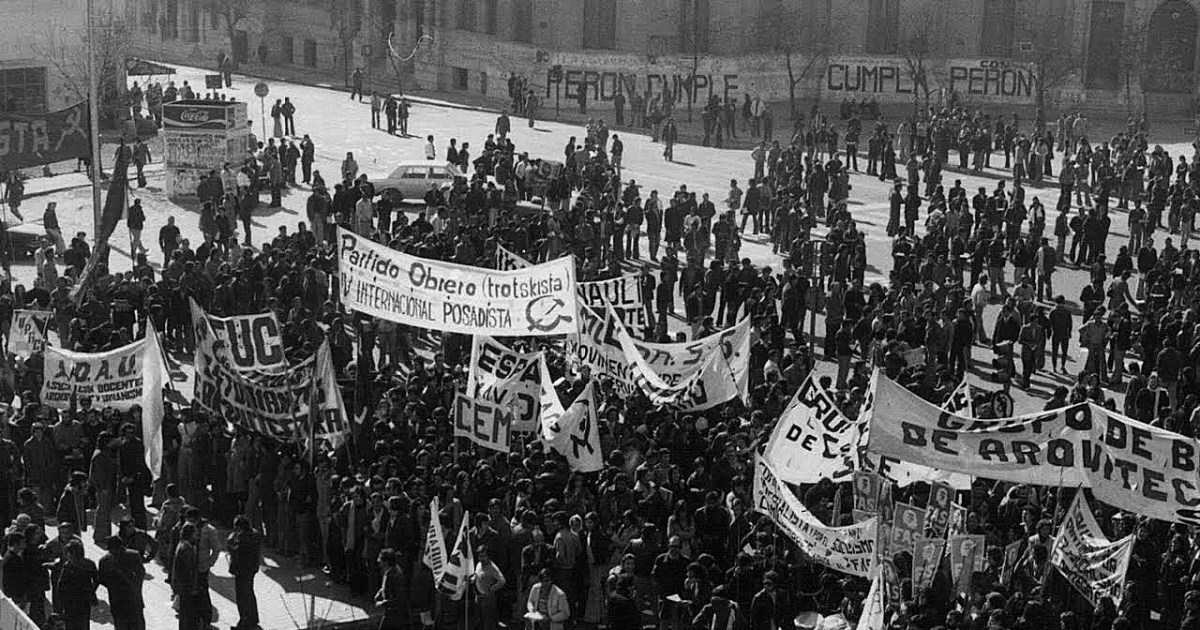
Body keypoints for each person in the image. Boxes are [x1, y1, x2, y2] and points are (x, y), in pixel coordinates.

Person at [98, 535, 146, 630]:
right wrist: (136, 586)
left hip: (117, 600)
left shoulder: (104, 560)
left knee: (121, 626)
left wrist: (113, 586)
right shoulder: (134, 555)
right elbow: (141, 573)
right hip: (134, 599)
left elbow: (102, 579)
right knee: (138, 626)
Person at [227, 515, 261, 630]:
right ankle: (253, 618)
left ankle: (245, 621)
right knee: (250, 593)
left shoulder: (242, 539)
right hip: (251, 569)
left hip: (242, 570)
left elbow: (235, 550)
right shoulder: (255, 534)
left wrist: (231, 543)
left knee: (242, 596)